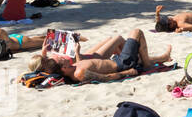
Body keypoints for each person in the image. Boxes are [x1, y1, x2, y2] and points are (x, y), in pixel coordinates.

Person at [30, 29, 172, 83]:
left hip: (116, 60)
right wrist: (128, 72)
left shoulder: (72, 68)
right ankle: (147, 65)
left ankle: (161, 58)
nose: (62, 58)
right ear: (64, 69)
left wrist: (78, 54)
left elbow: (44, 69)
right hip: (122, 64)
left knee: (130, 47)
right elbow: (105, 78)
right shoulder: (79, 74)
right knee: (136, 32)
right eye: (62, 61)